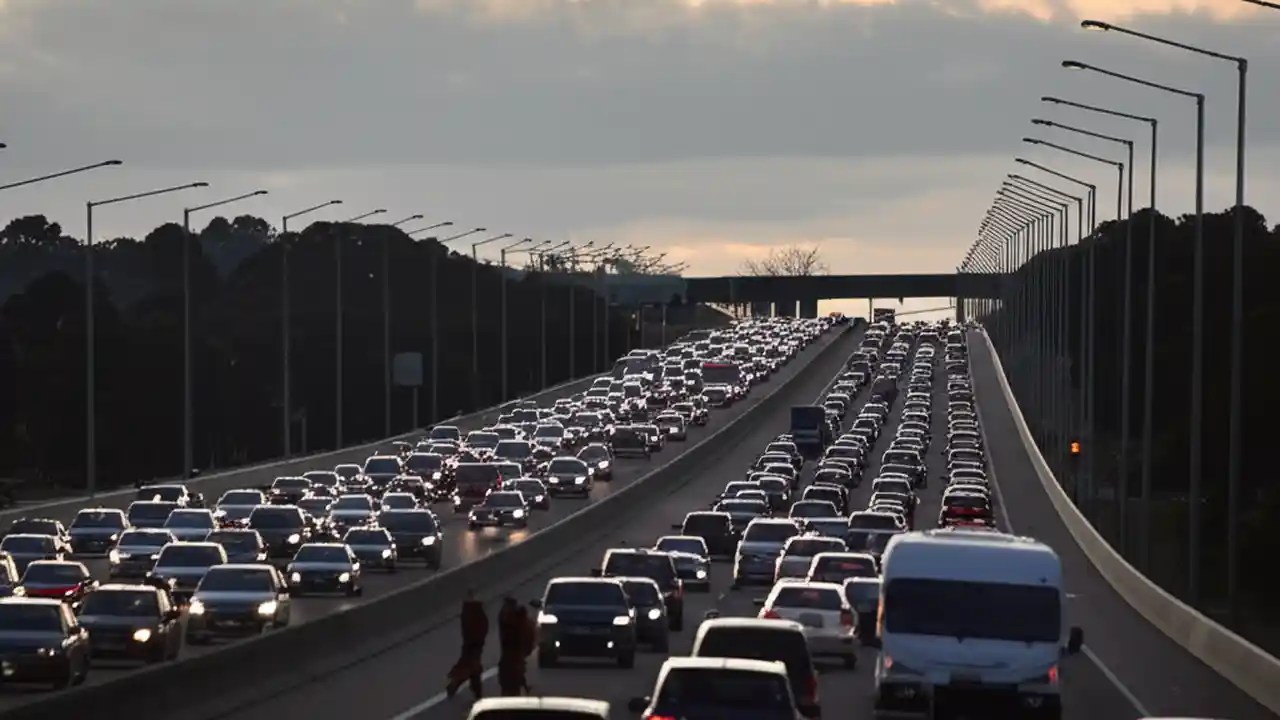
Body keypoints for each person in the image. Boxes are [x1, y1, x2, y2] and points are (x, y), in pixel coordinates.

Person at [446, 589, 489, 700]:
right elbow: (482, 626)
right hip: (474, 643)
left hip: (470, 642)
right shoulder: (476, 610)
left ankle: (458, 685)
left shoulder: (467, 610)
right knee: (473, 667)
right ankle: (461, 686)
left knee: (469, 665)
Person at [497, 596, 536, 696]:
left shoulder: (506, 615)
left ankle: (512, 689)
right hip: (514, 650)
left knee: (510, 670)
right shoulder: (517, 616)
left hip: (511, 650)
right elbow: (527, 634)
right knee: (514, 670)